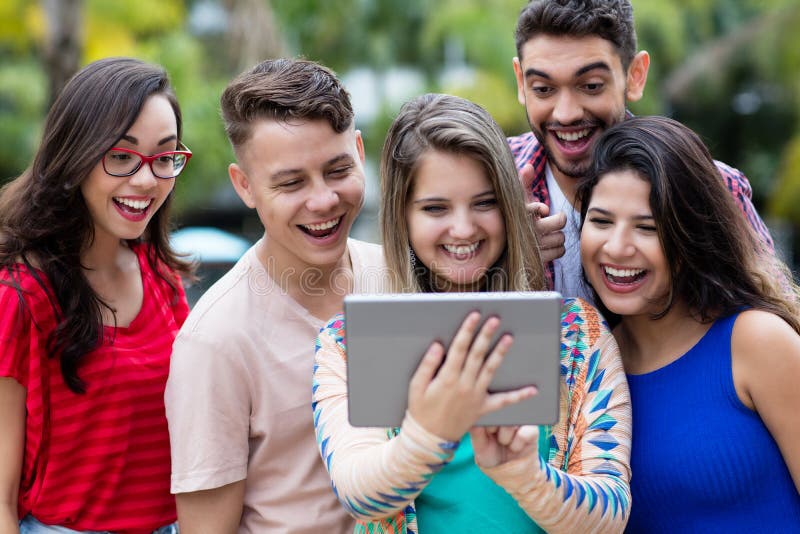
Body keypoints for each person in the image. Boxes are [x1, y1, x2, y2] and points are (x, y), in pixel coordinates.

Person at [313, 93, 632, 533]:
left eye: (484, 203)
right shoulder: (347, 343)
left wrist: (526, 475)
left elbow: (611, 515)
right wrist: (428, 435)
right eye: (435, 208)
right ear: (401, 217)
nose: (463, 228)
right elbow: (358, 493)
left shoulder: (577, 336)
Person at [164, 58, 385, 533]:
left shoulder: (402, 278)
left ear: (360, 151)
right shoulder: (215, 342)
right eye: (291, 182)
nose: (323, 200)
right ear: (244, 186)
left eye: (337, 169)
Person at [577, 115, 800, 532]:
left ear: (688, 235)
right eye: (601, 221)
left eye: (648, 227)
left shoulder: (755, 340)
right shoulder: (585, 367)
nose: (617, 247)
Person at [0, 57, 192, 533]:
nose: (147, 180)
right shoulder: (21, 297)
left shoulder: (162, 279)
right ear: (76, 155)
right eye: (122, 156)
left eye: (165, 157)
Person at [508, 0, 777, 301]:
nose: (566, 113)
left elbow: (774, 312)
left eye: (591, 86)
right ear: (521, 82)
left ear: (634, 76)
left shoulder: (708, 189)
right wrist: (504, 259)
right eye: (543, 89)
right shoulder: (485, 181)